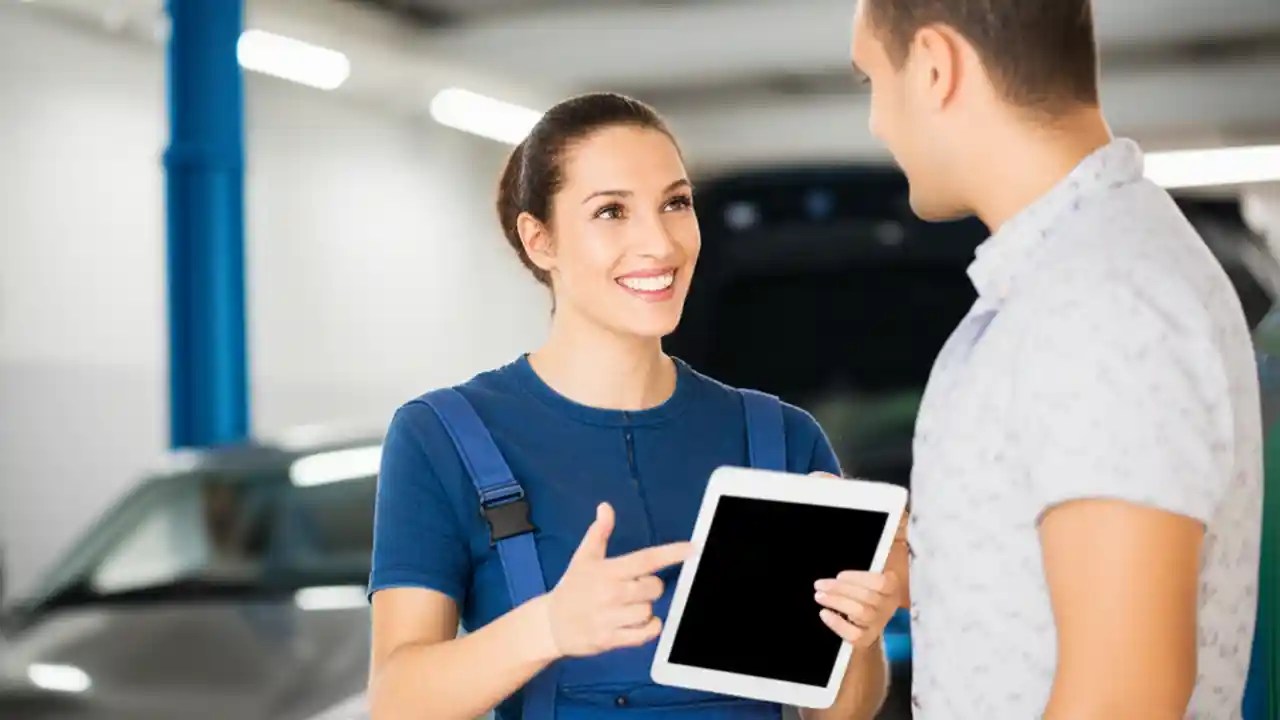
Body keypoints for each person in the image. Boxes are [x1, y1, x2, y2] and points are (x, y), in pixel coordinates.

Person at [366, 92, 906, 720]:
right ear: (540, 240)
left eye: (675, 203)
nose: (660, 243)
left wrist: (860, 637)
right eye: (611, 211)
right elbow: (396, 703)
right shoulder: (442, 437)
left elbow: (839, 716)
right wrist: (548, 627)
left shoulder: (780, 438)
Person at [847, 0, 1263, 717]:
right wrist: (940, 560)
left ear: (936, 68)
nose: (876, 122)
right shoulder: (1069, 278)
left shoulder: (1101, 295)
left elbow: (1125, 697)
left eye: (871, 81)